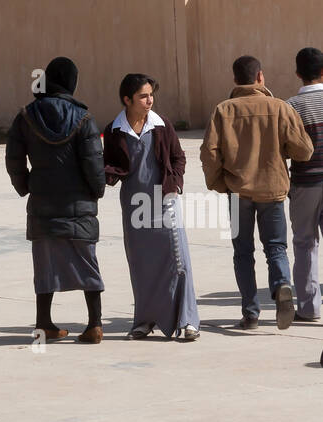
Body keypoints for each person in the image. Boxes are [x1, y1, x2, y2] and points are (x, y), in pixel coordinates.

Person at [201, 54, 313, 331]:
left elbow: (209, 154)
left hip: (237, 193)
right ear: (260, 77)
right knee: (276, 247)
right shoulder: (280, 108)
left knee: (242, 252)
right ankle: (281, 285)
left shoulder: (222, 110)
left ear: (235, 79)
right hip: (272, 191)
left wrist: (219, 184)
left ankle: (250, 314)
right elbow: (304, 150)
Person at [4, 56, 107, 344]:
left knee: (45, 265)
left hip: (42, 204)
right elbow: (93, 162)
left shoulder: (26, 115)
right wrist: (96, 190)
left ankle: (44, 323)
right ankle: (95, 324)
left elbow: (13, 157)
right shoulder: (84, 118)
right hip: (79, 206)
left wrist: (25, 185)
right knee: (87, 263)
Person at [103, 74, 200, 341]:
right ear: (127, 99)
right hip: (134, 205)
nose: (149, 101)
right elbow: (110, 165)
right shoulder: (114, 130)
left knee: (178, 262)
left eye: (151, 95)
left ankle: (188, 320)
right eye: (143, 96)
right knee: (141, 262)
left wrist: (175, 185)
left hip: (165, 203)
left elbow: (179, 157)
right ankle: (144, 321)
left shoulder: (161, 124)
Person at [286, 47, 323, 322]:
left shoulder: (290, 107)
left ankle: (309, 308)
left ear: (298, 73)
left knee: (304, 243)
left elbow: (285, 148)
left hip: (305, 183)